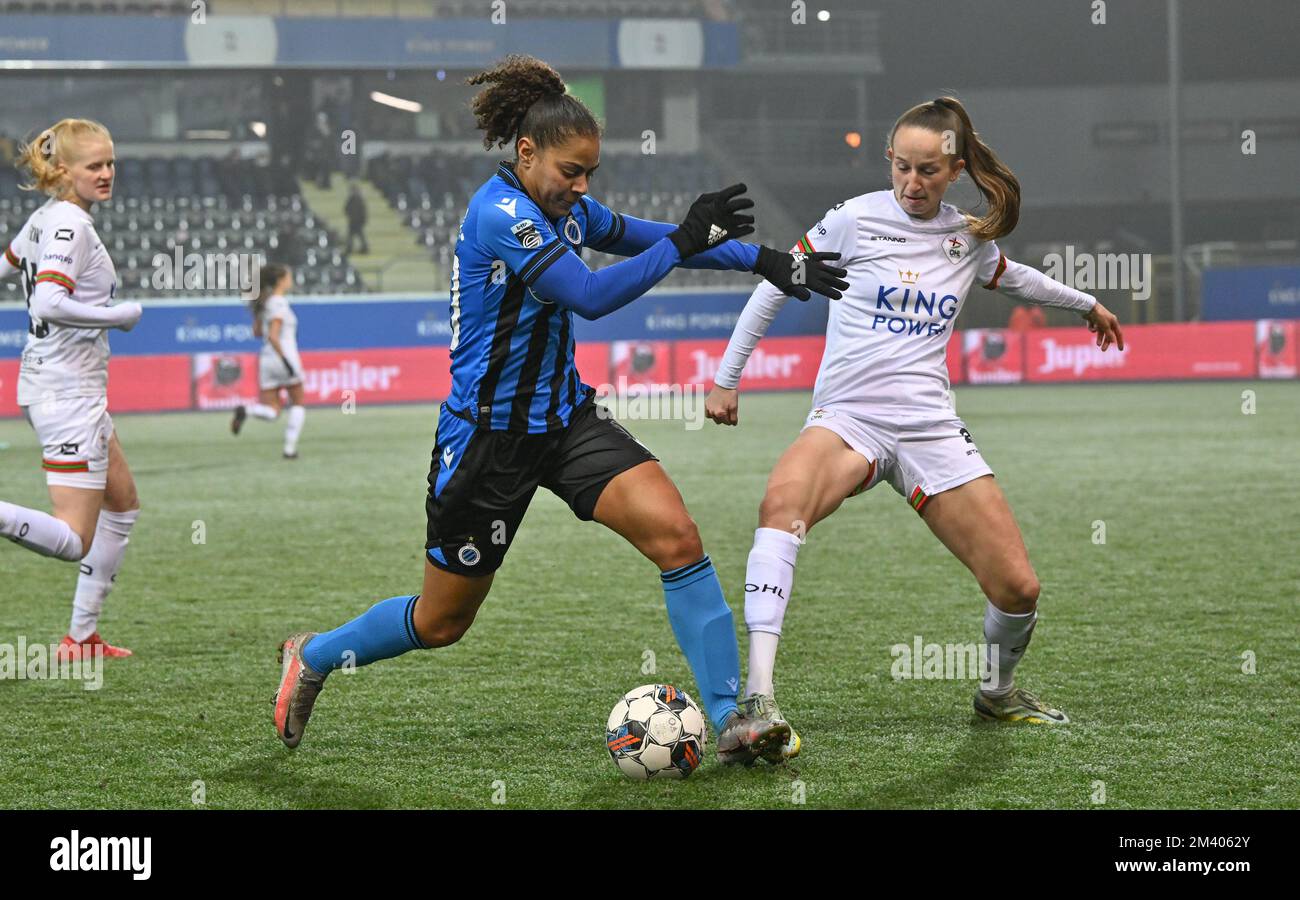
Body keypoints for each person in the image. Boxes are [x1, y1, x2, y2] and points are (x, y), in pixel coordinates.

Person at [272, 54, 849, 766]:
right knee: (443, 620)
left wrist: (768, 260)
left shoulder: (564, 207)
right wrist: (681, 241)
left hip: (568, 423)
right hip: (487, 440)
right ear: (526, 152)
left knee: (677, 536)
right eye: (570, 172)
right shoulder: (500, 213)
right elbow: (591, 295)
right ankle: (316, 655)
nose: (580, 188)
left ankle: (732, 718)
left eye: (590, 175)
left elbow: (656, 240)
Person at [705, 97, 1125, 761]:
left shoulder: (966, 238)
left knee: (1018, 589)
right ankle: (757, 702)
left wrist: (1087, 304)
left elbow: (1016, 280)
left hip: (930, 429)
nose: (912, 183)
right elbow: (777, 283)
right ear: (889, 161)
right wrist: (728, 377)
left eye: (928, 170)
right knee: (782, 503)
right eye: (902, 167)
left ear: (954, 169)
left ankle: (997, 693)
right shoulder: (851, 220)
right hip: (849, 419)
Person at [0, 119, 144, 660]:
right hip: (67, 394)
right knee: (73, 539)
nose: (106, 174)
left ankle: (80, 637)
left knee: (123, 504)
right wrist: (116, 316)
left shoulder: (45, 217)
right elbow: (48, 303)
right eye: (94, 166)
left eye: (110, 163)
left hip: (63, 386)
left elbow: (8, 262)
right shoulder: (71, 227)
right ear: (64, 170)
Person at [231, 263, 306, 459]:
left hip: (266, 360)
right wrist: (287, 361)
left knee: (273, 411)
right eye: (288, 277)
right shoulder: (279, 303)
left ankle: (247, 410)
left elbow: (257, 333)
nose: (291, 280)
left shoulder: (263, 304)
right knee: (298, 401)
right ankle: (290, 450)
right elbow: (273, 335)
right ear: (281, 280)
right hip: (283, 355)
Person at [344, 183, 368, 255]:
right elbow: (346, 209)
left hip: (357, 221)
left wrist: (362, 220)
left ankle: (363, 248)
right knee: (353, 235)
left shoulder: (359, 200)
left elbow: (363, 212)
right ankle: (350, 248)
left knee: (358, 235)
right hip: (353, 221)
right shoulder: (351, 200)